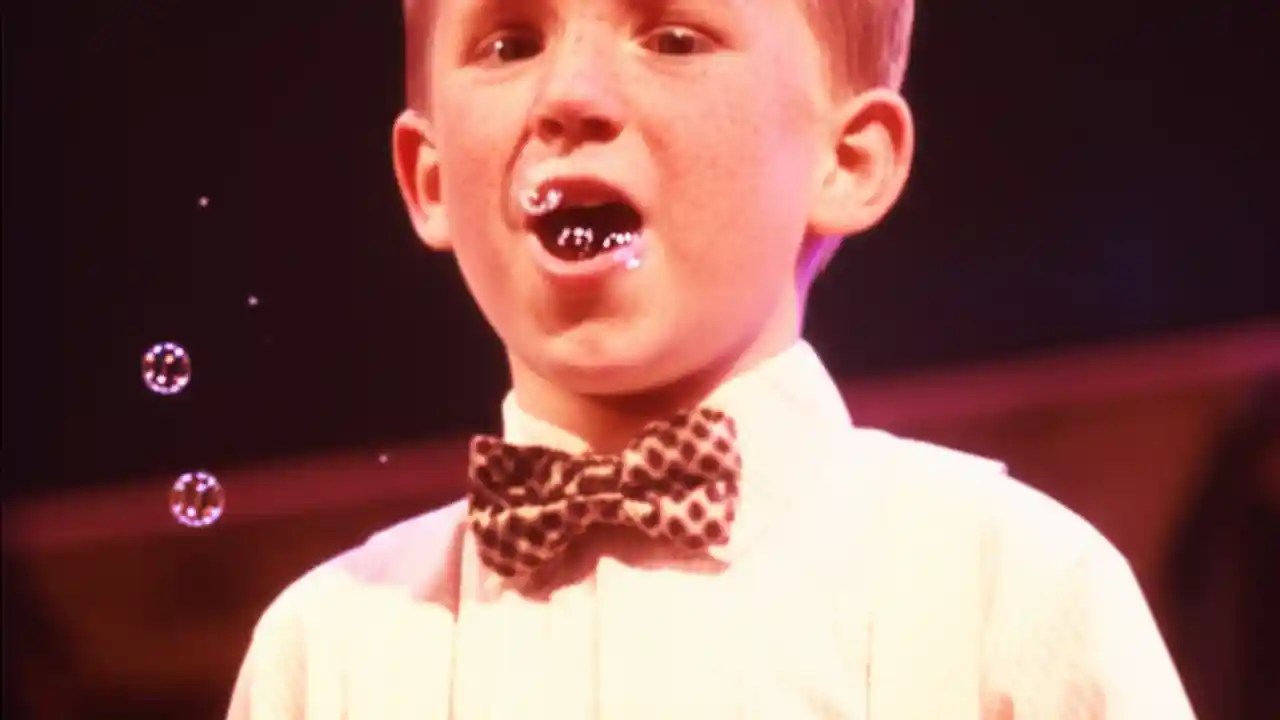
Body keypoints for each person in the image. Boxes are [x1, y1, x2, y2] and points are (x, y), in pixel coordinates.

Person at [228, 0, 1195, 717]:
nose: (567, 96)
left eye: (672, 38)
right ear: (428, 178)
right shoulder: (328, 655)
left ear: (847, 161)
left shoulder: (1006, 587)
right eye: (509, 43)